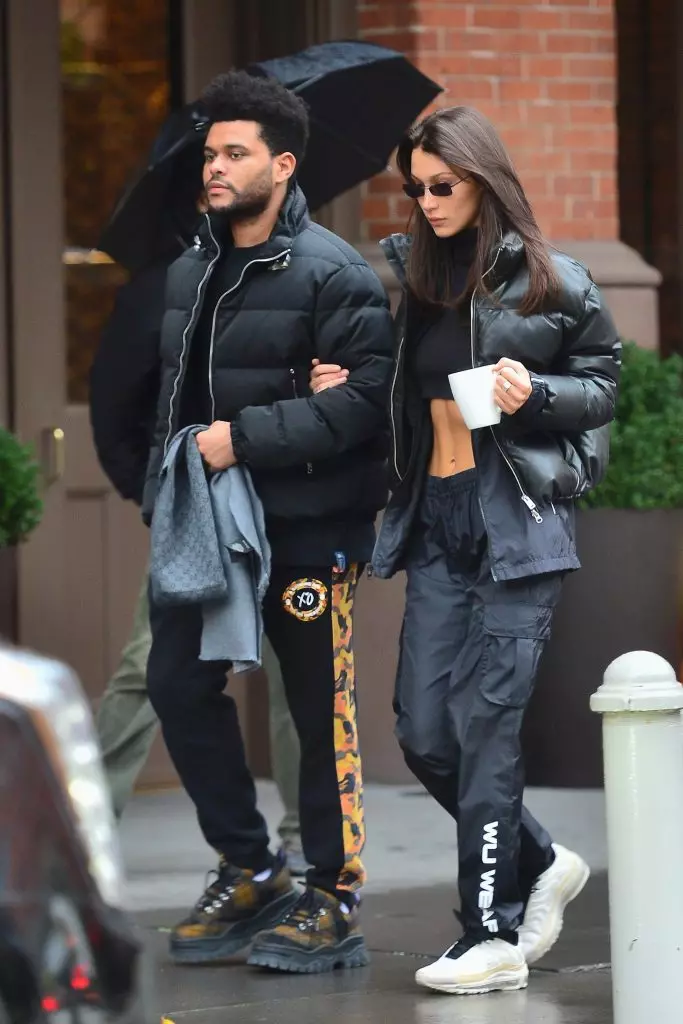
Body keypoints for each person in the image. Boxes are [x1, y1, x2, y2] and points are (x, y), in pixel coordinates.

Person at [310, 105, 620, 996]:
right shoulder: (410, 281)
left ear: (484, 179)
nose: (426, 200)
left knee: (485, 731)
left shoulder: (555, 282)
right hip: (436, 519)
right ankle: (541, 859)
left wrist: (537, 393)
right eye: (415, 187)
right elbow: (396, 400)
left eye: (441, 184)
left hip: (516, 524)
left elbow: (599, 387)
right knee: (421, 729)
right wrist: (347, 386)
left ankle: (485, 933)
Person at [141, 71, 393, 974]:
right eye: (209, 153)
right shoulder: (189, 268)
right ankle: (250, 866)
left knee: (314, 705)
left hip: (306, 523)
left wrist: (241, 438)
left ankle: (332, 891)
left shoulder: (331, 269)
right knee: (175, 681)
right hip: (205, 524)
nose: (214, 166)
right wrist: (161, 490)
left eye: (234, 153)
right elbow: (171, 400)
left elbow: (368, 401)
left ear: (281, 166)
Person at [89, 166, 308, 876]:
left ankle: (308, 835)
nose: (223, 182)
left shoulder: (304, 271)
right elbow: (114, 403)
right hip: (195, 511)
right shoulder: (162, 285)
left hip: (284, 508)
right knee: (151, 670)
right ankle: (81, 825)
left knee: (295, 674)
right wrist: (155, 494)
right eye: (212, 171)